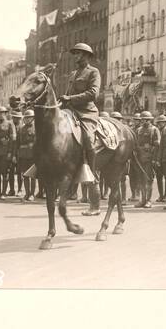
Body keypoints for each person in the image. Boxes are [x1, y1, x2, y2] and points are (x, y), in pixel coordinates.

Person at [60, 43, 103, 215]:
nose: (75, 56)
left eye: (78, 53)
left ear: (86, 56)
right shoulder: (72, 74)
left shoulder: (93, 72)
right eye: (74, 53)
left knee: (87, 140)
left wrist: (70, 98)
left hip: (86, 112)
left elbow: (93, 93)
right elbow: (67, 94)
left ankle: (92, 171)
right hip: (70, 111)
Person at [132, 111, 160, 207]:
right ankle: (142, 200)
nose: (144, 121)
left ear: (149, 120)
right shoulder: (138, 130)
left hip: (149, 158)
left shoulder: (154, 130)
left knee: (148, 180)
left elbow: (157, 145)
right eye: (142, 120)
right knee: (141, 180)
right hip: (140, 158)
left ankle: (148, 201)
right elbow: (135, 143)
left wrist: (154, 158)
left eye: (146, 120)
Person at [16, 109, 37, 201]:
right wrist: (16, 155)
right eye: (26, 118)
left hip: (33, 155)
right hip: (23, 155)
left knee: (32, 175)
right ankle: (27, 193)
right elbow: (17, 143)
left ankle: (32, 194)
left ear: (33, 118)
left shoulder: (37, 129)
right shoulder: (21, 129)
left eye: (30, 118)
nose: (28, 119)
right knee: (24, 175)